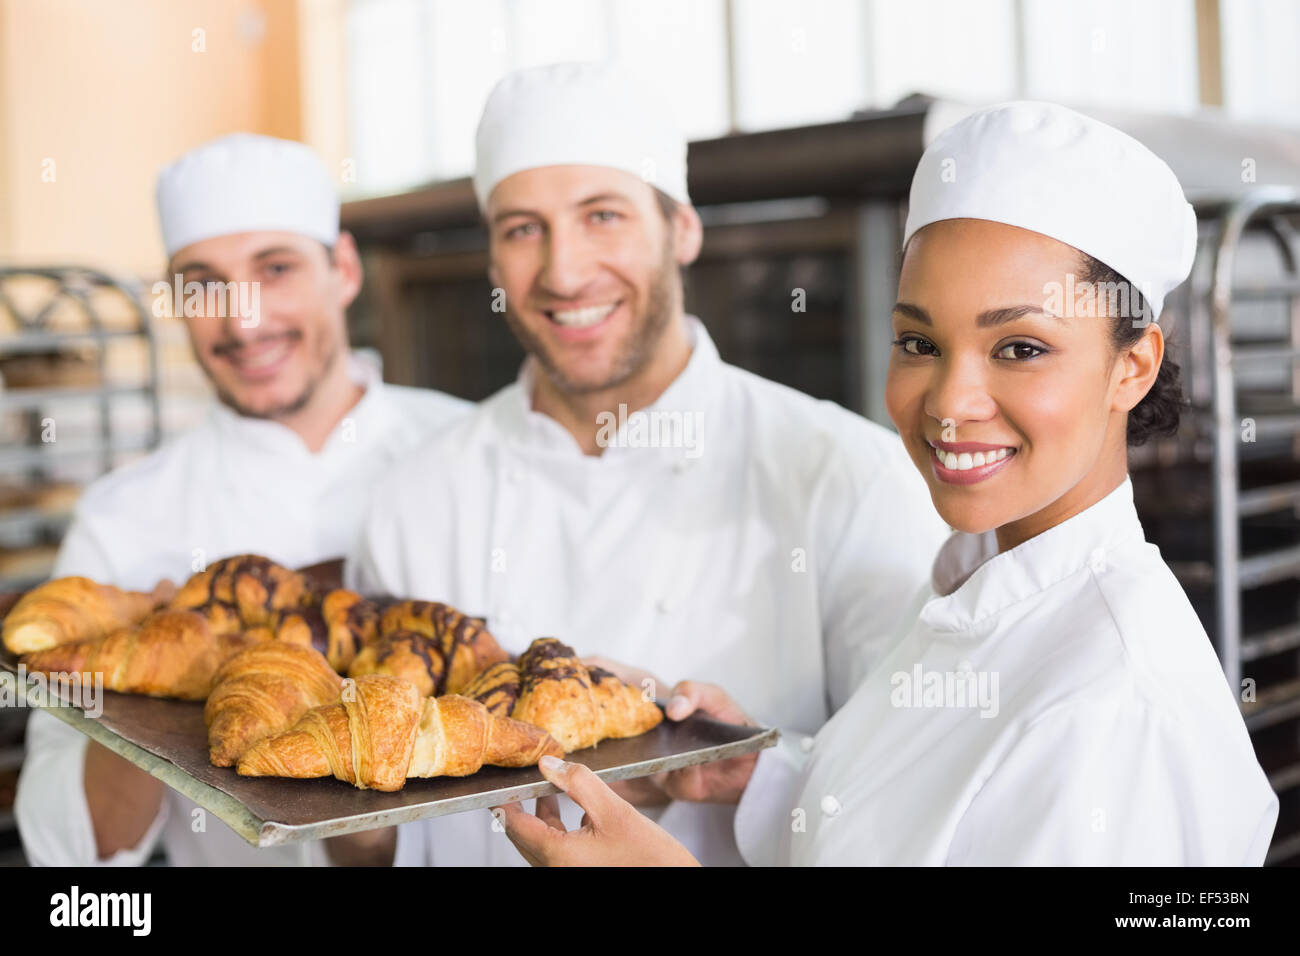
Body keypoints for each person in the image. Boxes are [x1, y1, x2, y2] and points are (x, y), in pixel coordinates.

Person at [495, 101, 1280, 866]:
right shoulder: (975, 581)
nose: (948, 402)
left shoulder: (1116, 707)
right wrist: (766, 778)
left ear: (1132, 366)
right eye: (920, 341)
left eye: (1019, 348)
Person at [347, 61, 948, 866]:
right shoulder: (414, 498)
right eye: (523, 228)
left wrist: (756, 770)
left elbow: (920, 799)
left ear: (682, 230)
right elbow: (375, 834)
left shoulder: (842, 477)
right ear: (492, 262)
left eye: (603, 216)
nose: (564, 271)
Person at [15, 133, 470, 867]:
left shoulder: (471, 452)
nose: (243, 321)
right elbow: (64, 850)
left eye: (276, 269)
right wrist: (146, 675)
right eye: (204, 284)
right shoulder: (123, 517)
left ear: (343, 269)